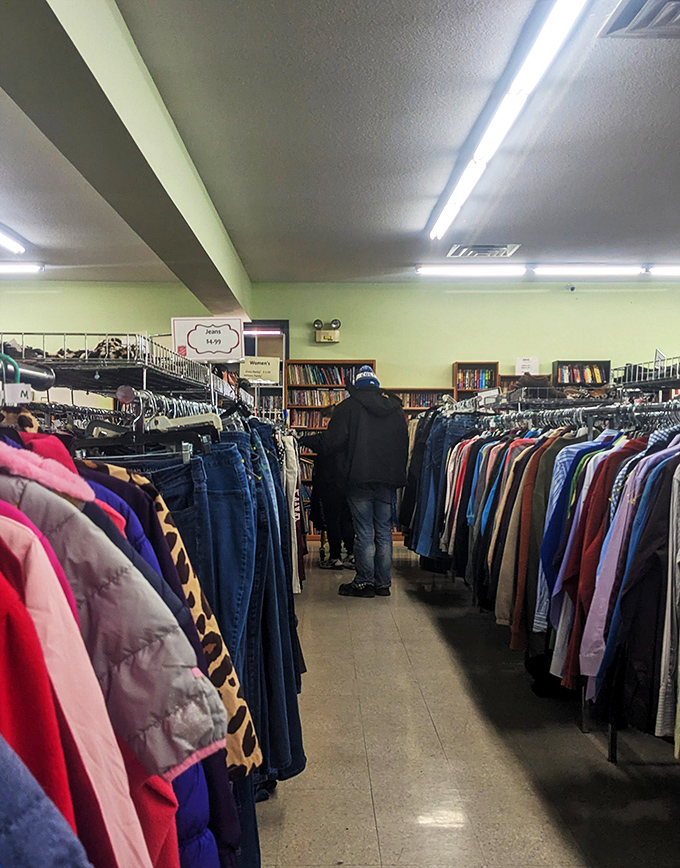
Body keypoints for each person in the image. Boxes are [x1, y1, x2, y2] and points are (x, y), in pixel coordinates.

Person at [324, 365, 408, 597]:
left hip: (358, 478)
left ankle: (364, 582)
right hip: (387, 479)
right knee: (383, 531)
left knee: (363, 531)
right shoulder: (395, 408)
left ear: (357, 386)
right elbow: (403, 444)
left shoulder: (347, 407)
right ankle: (383, 584)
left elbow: (333, 443)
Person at [299, 406, 355, 570]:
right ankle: (351, 554)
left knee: (333, 520)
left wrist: (300, 439)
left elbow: (321, 442)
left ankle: (335, 556)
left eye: (325, 418)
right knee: (346, 518)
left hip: (330, 482)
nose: (323, 422)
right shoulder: (349, 433)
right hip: (346, 481)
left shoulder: (334, 433)